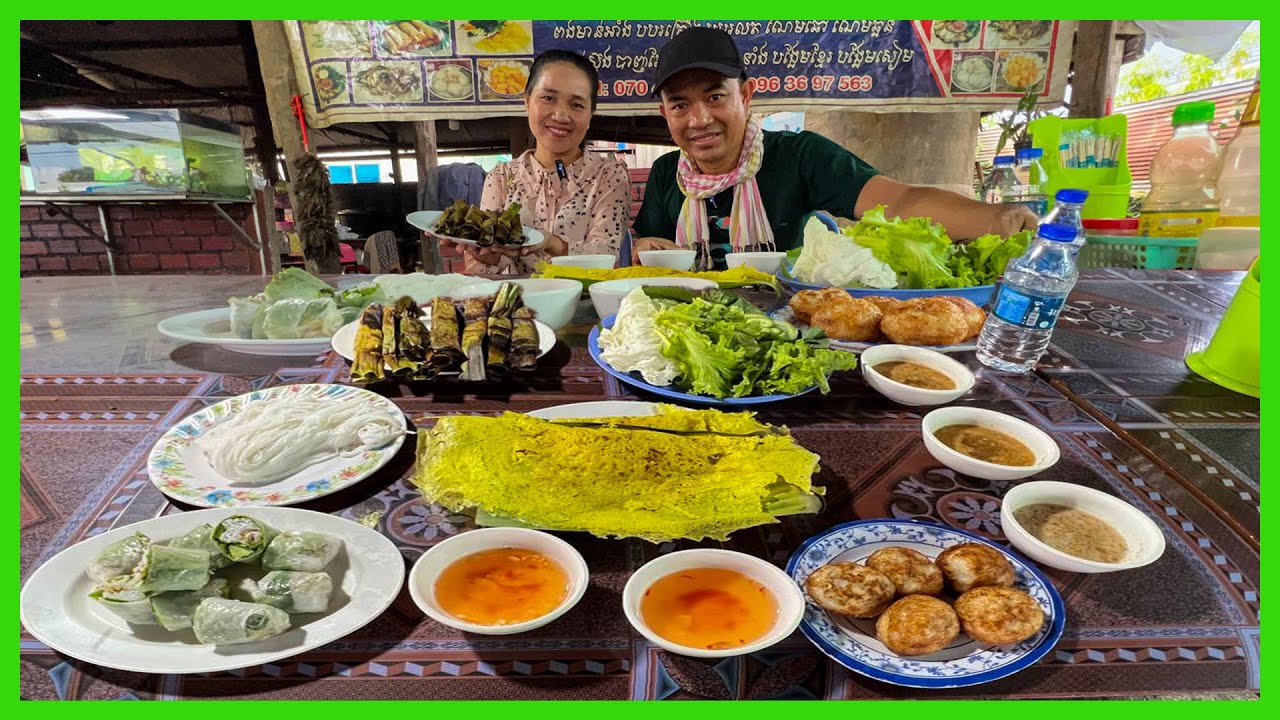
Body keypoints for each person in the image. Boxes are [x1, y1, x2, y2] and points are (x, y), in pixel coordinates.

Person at [632, 27, 1039, 270]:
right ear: (665, 112)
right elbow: (652, 256)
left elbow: (898, 203)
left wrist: (995, 219)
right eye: (680, 104)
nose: (699, 119)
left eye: (715, 97)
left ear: (746, 95)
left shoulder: (800, 156)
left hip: (791, 326)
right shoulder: (668, 173)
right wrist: (645, 247)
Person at [457, 49, 631, 274]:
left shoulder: (608, 176)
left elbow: (605, 256)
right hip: (519, 305)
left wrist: (551, 243)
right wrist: (487, 259)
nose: (560, 115)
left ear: (590, 116)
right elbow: (486, 272)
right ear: (527, 102)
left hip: (587, 304)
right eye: (548, 98)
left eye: (576, 105)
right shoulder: (501, 177)